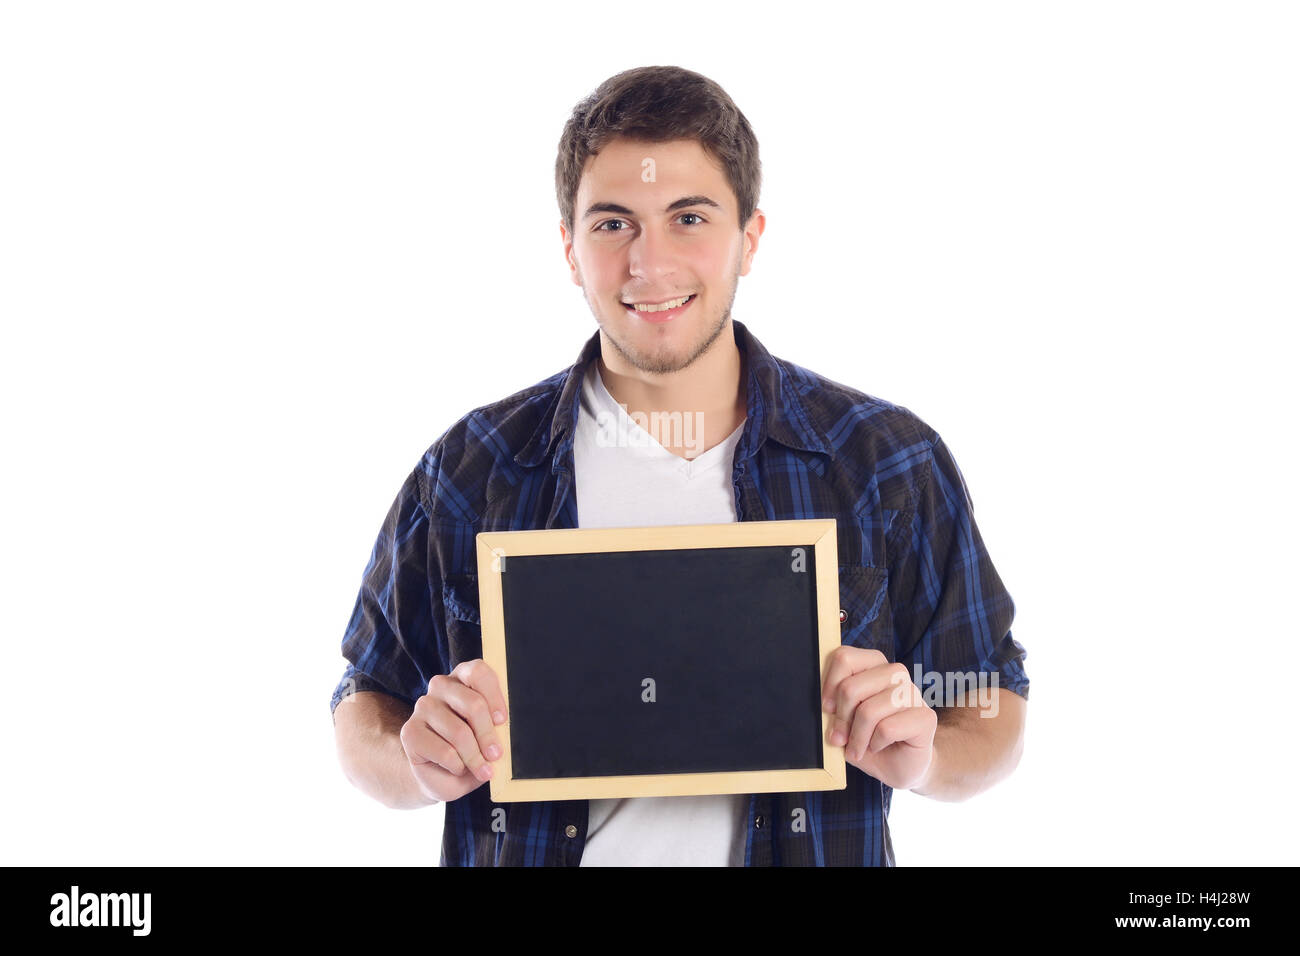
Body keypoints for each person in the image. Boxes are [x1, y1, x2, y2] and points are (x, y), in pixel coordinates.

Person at [330, 65, 1029, 866]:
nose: (649, 265)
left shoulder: (886, 461)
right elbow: (363, 704)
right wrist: (415, 763)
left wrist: (929, 753)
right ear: (569, 248)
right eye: (613, 224)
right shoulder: (470, 469)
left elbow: (992, 706)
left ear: (750, 238)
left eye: (688, 218)